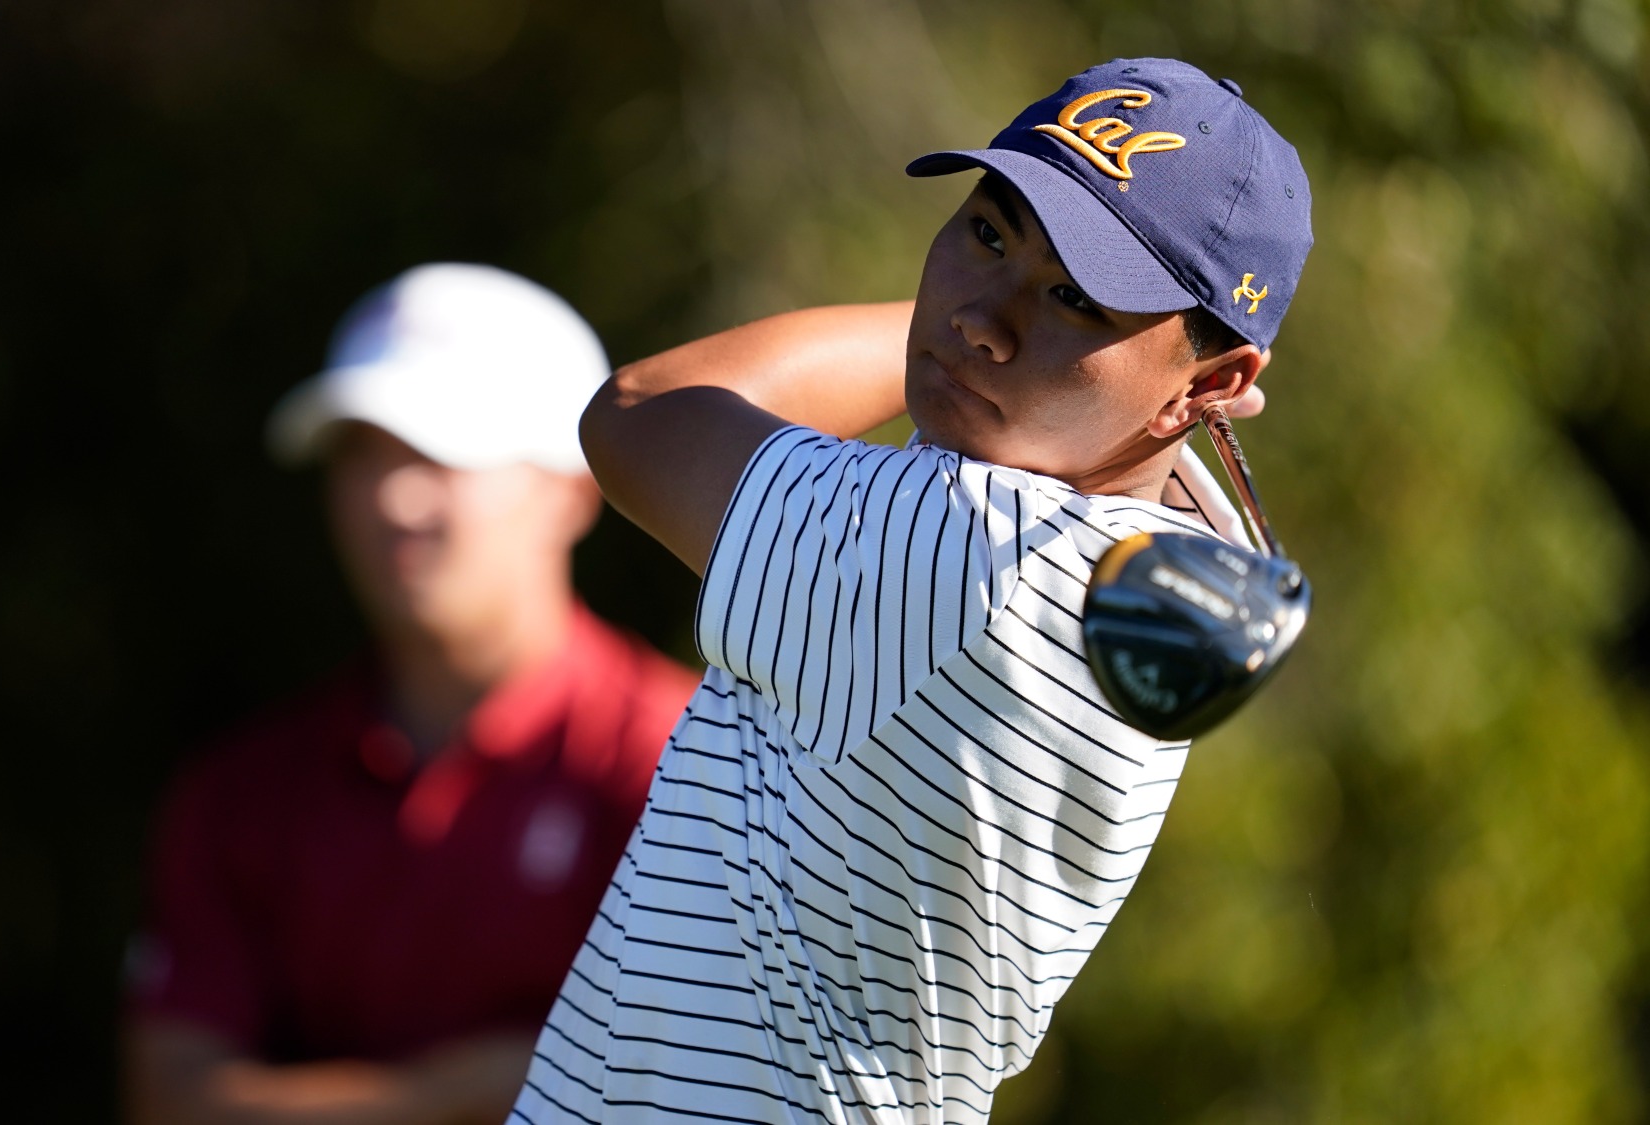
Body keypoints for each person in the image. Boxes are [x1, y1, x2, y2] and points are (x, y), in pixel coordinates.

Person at [512, 58, 1312, 1122]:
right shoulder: (1152, 553)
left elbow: (640, 410)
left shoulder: (970, 553)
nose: (982, 320)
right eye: (986, 234)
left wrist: (934, 337)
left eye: (1073, 297)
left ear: (1211, 384)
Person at [125, 264, 697, 1125]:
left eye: (443, 449)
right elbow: (172, 1102)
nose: (393, 497)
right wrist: (479, 1088)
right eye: (363, 452)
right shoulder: (240, 795)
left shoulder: (692, 764)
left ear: (574, 491)